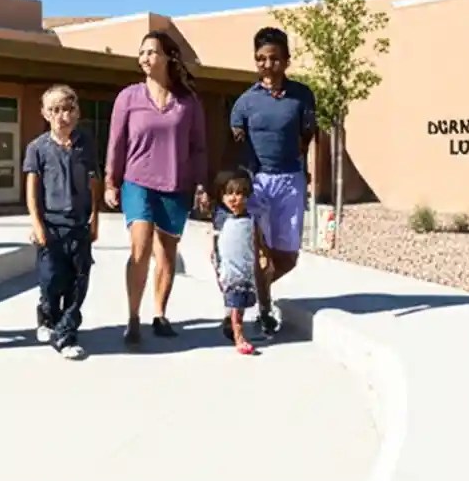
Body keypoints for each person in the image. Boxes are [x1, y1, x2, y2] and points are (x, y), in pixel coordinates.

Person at [105, 30, 208, 346]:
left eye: (151, 52)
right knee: (140, 246)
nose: (144, 58)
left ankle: (159, 314)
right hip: (137, 182)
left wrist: (202, 184)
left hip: (176, 184)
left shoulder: (188, 102)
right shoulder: (129, 97)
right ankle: (133, 318)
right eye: (142, 53)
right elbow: (117, 142)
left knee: (167, 253)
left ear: (167, 57)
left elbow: (198, 146)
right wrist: (111, 180)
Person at [228, 26, 317, 338]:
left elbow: (307, 137)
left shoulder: (302, 96)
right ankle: (262, 310)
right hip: (258, 183)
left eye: (275, 59)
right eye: (262, 59)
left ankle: (253, 290)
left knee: (287, 258)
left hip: (291, 180)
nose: (268, 65)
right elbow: (235, 146)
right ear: (256, 61)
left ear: (286, 61)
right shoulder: (244, 103)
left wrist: (305, 171)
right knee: (257, 250)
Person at [24, 84, 100, 361]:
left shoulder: (85, 144)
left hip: (78, 225)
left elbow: (94, 183)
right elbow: (32, 189)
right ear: (45, 114)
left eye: (68, 109)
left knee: (78, 283)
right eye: (55, 110)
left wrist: (95, 218)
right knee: (51, 279)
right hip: (51, 225)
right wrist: (37, 224)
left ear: (77, 112)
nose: (62, 116)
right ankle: (48, 315)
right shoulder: (37, 148)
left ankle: (66, 333)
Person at [209, 170, 259, 355]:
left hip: (244, 267)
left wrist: (262, 256)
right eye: (229, 193)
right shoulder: (221, 218)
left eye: (238, 194)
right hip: (228, 268)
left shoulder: (250, 218)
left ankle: (231, 323)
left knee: (240, 302)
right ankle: (240, 337)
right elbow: (214, 239)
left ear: (246, 197)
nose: (233, 198)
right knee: (236, 300)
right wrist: (214, 257)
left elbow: (256, 240)